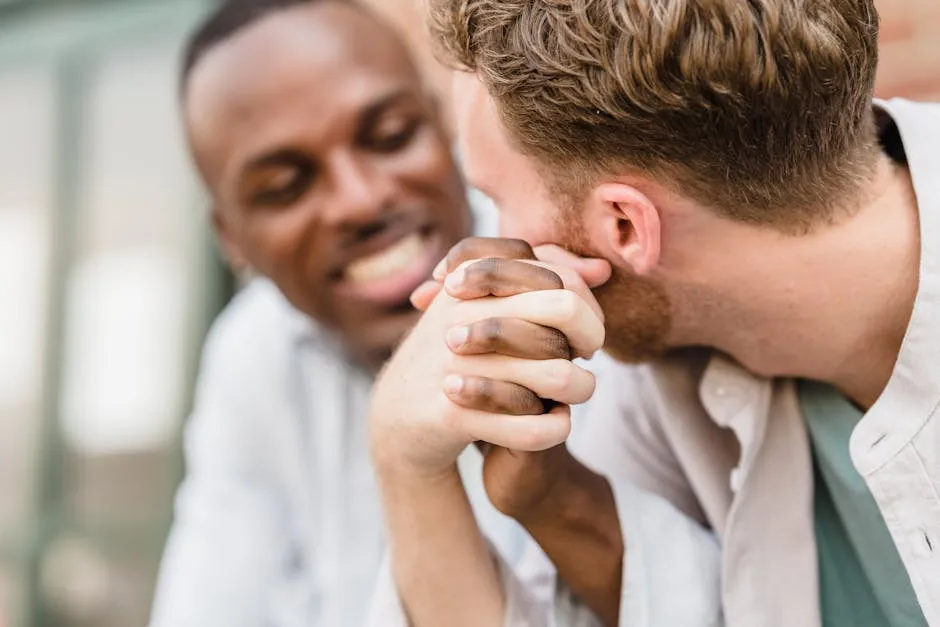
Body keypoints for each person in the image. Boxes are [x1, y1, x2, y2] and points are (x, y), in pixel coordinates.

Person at [366, 0, 940, 626]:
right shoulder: (655, 366)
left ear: (624, 225)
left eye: (497, 199)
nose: (500, 241)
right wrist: (407, 461)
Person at [148, 1, 512, 625]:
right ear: (231, 238)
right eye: (286, 187)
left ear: (443, 120)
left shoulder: (571, 280)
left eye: (391, 136)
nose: (361, 200)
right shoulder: (254, 352)